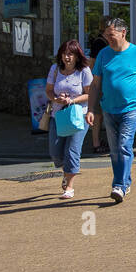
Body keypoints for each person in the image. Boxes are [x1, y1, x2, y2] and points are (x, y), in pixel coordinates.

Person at [86, 17, 136, 203]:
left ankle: (119, 185)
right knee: (115, 150)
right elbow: (95, 84)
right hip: (108, 109)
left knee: (124, 146)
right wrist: (91, 109)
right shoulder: (103, 55)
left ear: (123, 33)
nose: (108, 38)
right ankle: (125, 181)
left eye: (111, 34)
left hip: (130, 109)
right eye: (106, 35)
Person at [46, 39, 93, 200]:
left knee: (72, 151)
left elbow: (90, 94)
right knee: (55, 152)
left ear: (77, 56)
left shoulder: (84, 71)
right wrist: (57, 99)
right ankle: (66, 173)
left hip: (79, 117)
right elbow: (49, 91)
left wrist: (72, 100)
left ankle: (69, 187)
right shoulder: (55, 69)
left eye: (71, 54)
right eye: (65, 54)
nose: (67, 57)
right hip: (58, 116)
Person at [85, 17, 110, 154]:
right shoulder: (99, 43)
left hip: (105, 81)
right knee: (98, 114)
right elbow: (92, 63)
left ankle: (99, 141)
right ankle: (96, 143)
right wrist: (95, 81)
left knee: (101, 114)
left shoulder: (105, 41)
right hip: (99, 81)